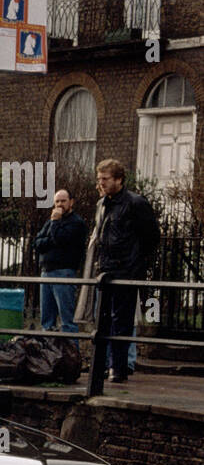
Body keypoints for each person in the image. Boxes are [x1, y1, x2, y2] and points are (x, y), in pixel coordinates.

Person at [93, 159, 159, 383]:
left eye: (105, 179)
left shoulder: (135, 203)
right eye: (99, 179)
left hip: (126, 270)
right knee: (102, 320)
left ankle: (118, 368)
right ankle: (101, 366)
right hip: (105, 270)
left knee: (121, 320)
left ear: (119, 179)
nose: (101, 183)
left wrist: (135, 262)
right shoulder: (102, 204)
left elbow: (151, 237)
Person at [34, 188, 86, 334]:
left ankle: (71, 354)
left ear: (71, 202)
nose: (60, 204)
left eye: (63, 201)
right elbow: (37, 243)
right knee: (47, 321)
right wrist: (52, 233)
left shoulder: (76, 223)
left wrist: (55, 224)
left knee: (67, 320)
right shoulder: (51, 222)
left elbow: (60, 240)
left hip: (64, 272)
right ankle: (48, 353)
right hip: (46, 272)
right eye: (57, 201)